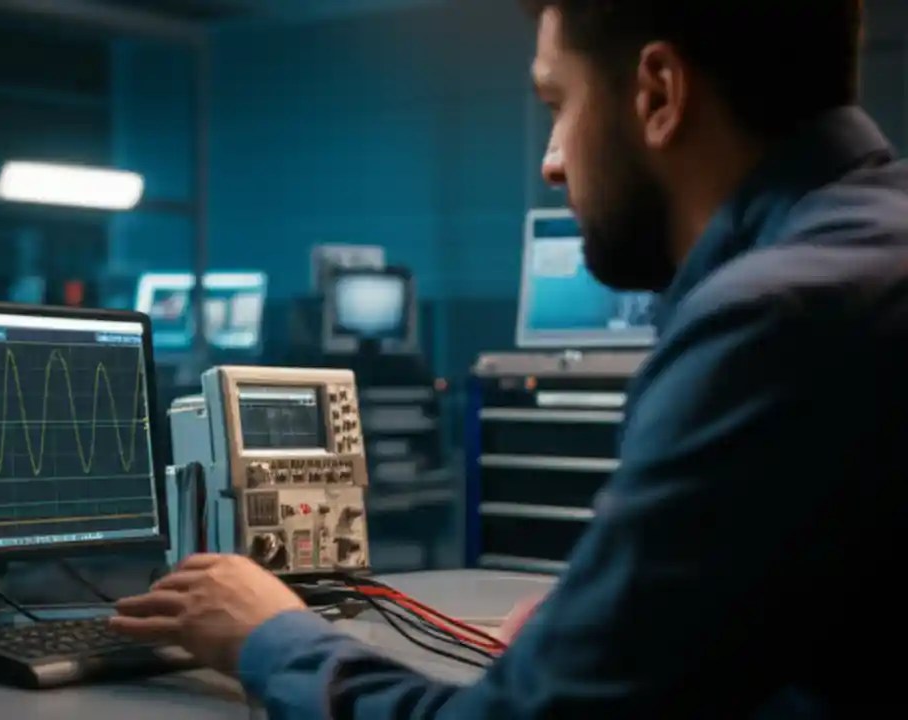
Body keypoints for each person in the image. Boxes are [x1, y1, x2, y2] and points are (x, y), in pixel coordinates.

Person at [110, 0, 908, 716]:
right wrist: (611, 638)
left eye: (558, 104)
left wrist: (269, 634)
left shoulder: (771, 326)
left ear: (659, 95)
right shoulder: (870, 258)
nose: (551, 161)